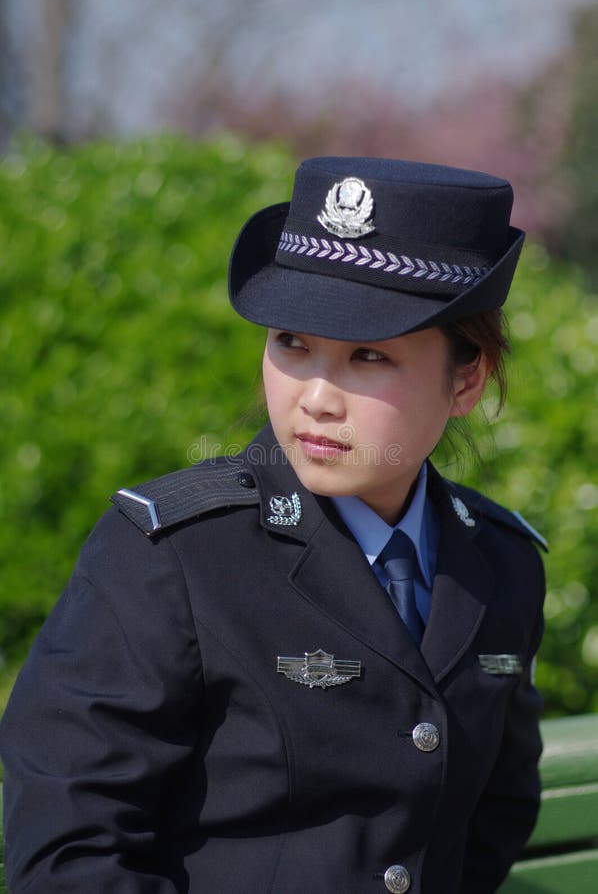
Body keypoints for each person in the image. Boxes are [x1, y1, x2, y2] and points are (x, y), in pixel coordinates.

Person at [0, 157, 547, 894]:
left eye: (368, 356)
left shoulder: (501, 566)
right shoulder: (175, 556)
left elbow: (491, 820)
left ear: (468, 379)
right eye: (292, 342)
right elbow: (68, 853)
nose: (316, 398)